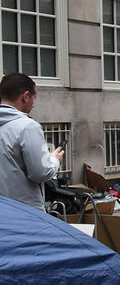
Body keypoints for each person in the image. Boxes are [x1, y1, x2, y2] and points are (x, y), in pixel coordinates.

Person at [0, 73, 62, 209]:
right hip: (25, 212)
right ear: (26, 96)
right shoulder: (27, 127)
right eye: (34, 97)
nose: (34, 103)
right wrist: (54, 160)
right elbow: (41, 173)